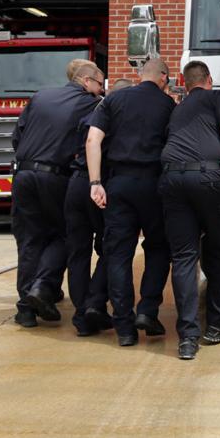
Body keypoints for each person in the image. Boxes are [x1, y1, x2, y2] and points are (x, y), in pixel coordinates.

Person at [159, 60, 220, 360]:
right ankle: (218, 323)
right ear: (209, 80)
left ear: (185, 83)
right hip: (209, 179)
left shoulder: (178, 109)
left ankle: (187, 338)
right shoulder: (217, 99)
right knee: (219, 251)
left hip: (172, 178)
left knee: (184, 258)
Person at [87, 60, 175, 346]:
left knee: (118, 254)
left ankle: (124, 327)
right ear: (162, 77)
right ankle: (147, 311)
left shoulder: (114, 99)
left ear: (140, 75)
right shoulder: (168, 106)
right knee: (159, 248)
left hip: (119, 183)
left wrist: (96, 183)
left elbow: (92, 140)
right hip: (154, 184)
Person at [10, 60, 104, 328]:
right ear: (87, 81)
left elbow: (17, 137)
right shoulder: (89, 103)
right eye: (99, 84)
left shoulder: (40, 97)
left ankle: (26, 309)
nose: (100, 90)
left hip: (23, 174)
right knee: (63, 234)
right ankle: (41, 287)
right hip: (55, 176)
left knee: (29, 239)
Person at [62, 78, 130, 339]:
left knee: (77, 253)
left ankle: (83, 316)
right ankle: (93, 304)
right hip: (101, 185)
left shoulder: (88, 114)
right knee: (112, 248)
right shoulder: (119, 118)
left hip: (75, 184)